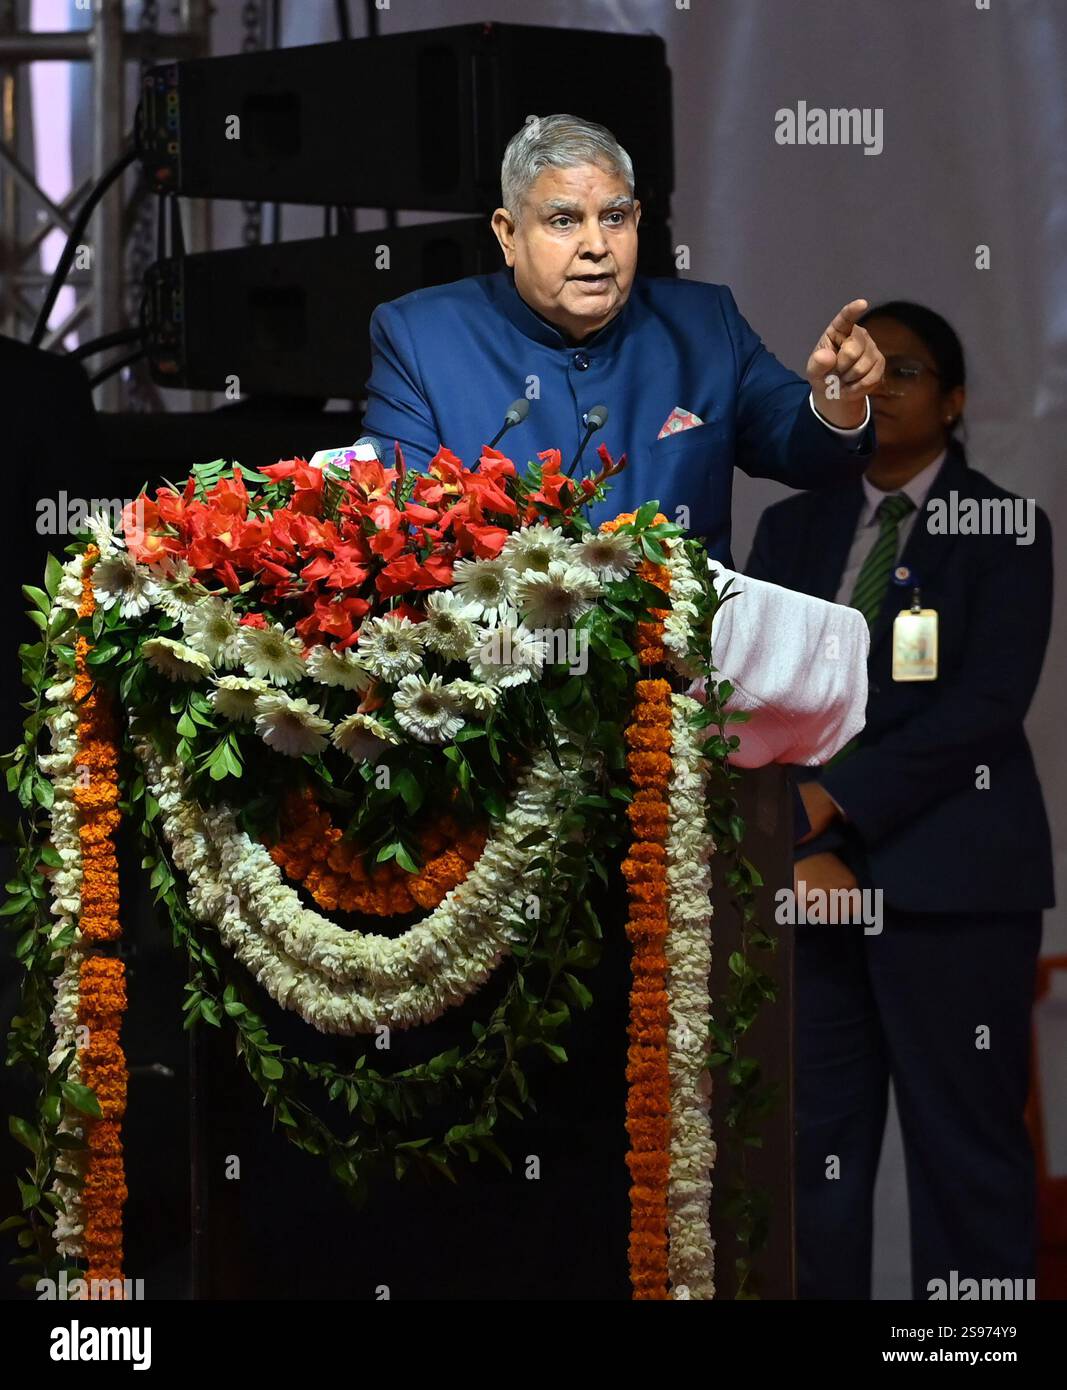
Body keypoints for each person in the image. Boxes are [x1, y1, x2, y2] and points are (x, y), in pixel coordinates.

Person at [746, 301, 1055, 1300]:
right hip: (804, 886)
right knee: (809, 1154)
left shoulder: (1004, 526)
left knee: (963, 1153)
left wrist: (833, 804)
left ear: (954, 399)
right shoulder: (792, 525)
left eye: (906, 368)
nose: (876, 383)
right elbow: (747, 694)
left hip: (950, 884)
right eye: (862, 363)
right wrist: (795, 841)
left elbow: (982, 708)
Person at [362, 113, 884, 564]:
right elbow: (398, 526)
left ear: (637, 220)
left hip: (678, 670)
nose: (596, 246)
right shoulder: (423, 338)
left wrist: (838, 398)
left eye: (614, 218)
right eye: (563, 221)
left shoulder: (705, 324)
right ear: (508, 234)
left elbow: (808, 456)